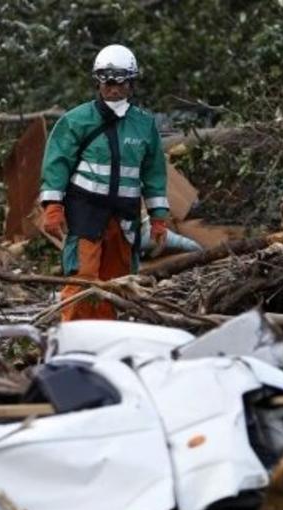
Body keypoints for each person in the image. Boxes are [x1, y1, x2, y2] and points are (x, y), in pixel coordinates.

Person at [39, 44, 201, 321]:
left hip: (124, 216)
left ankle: (107, 337)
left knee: (118, 281)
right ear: (98, 82)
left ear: (131, 82)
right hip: (85, 212)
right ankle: (75, 337)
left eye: (120, 81)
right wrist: (53, 206)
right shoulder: (76, 120)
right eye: (107, 81)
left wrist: (159, 217)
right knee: (84, 277)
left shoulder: (144, 125)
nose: (113, 88)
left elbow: (153, 173)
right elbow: (57, 162)